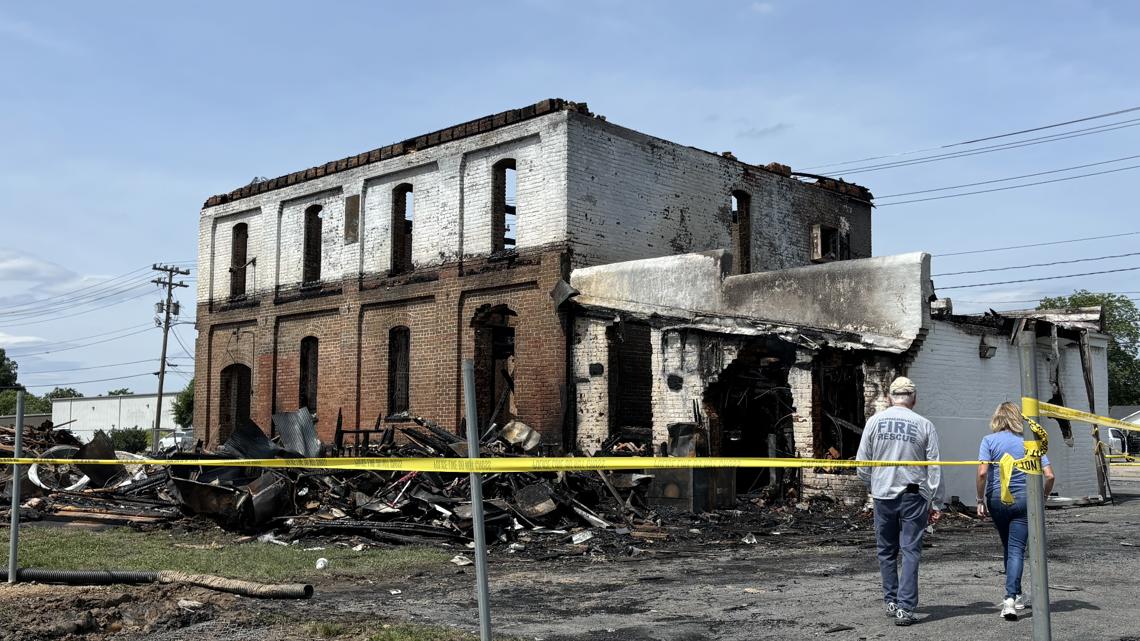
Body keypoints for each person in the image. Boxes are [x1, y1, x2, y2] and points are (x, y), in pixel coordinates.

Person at [856, 376, 943, 626]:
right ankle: (905, 607)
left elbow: (862, 463)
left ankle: (891, 600)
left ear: (889, 397)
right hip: (913, 495)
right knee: (910, 550)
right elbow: (934, 466)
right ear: (914, 398)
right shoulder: (924, 424)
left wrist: (873, 484)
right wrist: (935, 501)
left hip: (883, 495)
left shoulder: (874, 422)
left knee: (886, 550)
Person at [976, 401, 1055, 621]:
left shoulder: (989, 441)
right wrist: (1043, 497)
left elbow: (982, 473)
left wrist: (979, 499)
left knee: (1009, 548)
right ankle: (1012, 598)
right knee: (1016, 548)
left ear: (997, 418)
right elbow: (1049, 475)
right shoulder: (1029, 443)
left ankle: (1015, 595)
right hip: (1024, 500)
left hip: (997, 500)